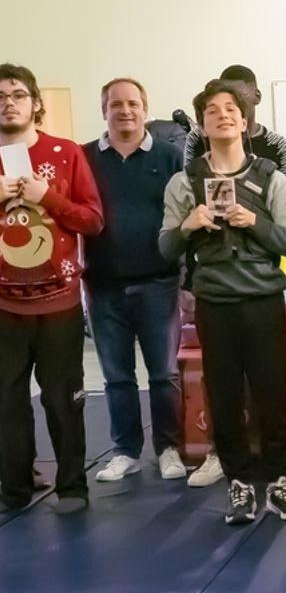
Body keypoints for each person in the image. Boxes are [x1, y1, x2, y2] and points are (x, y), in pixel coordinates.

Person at [159, 79, 286, 525]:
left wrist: (254, 222)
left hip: (261, 299)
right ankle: (239, 483)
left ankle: (279, 477)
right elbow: (164, 247)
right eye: (212, 111)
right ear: (202, 125)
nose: (222, 115)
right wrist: (188, 225)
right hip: (214, 302)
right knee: (222, 395)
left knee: (271, 391)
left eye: (231, 109)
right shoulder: (184, 183)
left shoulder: (270, 178)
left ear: (244, 121)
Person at [0, 63, 104, 514]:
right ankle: (15, 488)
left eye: (17, 94)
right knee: (7, 403)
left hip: (59, 300)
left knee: (64, 401)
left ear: (36, 103)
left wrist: (48, 197)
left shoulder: (65, 153)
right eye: (0, 96)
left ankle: (72, 488)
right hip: (3, 306)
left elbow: (93, 220)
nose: (8, 102)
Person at [84, 77, 186, 483]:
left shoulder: (170, 156)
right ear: (104, 110)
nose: (125, 111)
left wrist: (186, 278)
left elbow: (184, 221)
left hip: (159, 283)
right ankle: (125, 450)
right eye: (116, 104)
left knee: (164, 375)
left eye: (133, 104)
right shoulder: (85, 157)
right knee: (117, 377)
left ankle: (169, 448)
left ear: (145, 108)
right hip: (103, 285)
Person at [183, 64, 286, 180]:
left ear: (257, 96)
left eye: (238, 96)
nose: (224, 113)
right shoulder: (197, 137)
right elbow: (189, 182)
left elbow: (281, 191)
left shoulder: (277, 144)